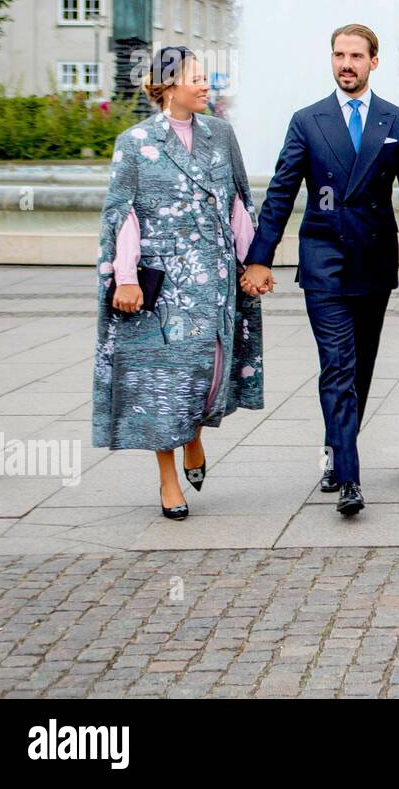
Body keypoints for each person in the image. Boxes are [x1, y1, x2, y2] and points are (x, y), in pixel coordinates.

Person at [241, 23, 399, 517]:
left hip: (374, 262)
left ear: (374, 62)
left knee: (362, 367)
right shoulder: (308, 121)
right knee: (338, 366)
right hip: (324, 261)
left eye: (355, 56)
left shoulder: (397, 121)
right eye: (338, 55)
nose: (345, 63)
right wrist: (260, 256)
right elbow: (282, 193)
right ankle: (349, 476)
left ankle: (334, 448)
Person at [93, 46, 264, 520]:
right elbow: (122, 213)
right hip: (164, 287)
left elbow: (238, 204)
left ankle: (194, 438)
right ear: (168, 85)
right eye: (197, 77)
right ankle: (168, 479)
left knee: (207, 373)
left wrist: (254, 264)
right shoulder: (135, 142)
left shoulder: (220, 134)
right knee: (163, 381)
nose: (207, 84)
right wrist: (124, 278)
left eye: (207, 77)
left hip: (215, 279)